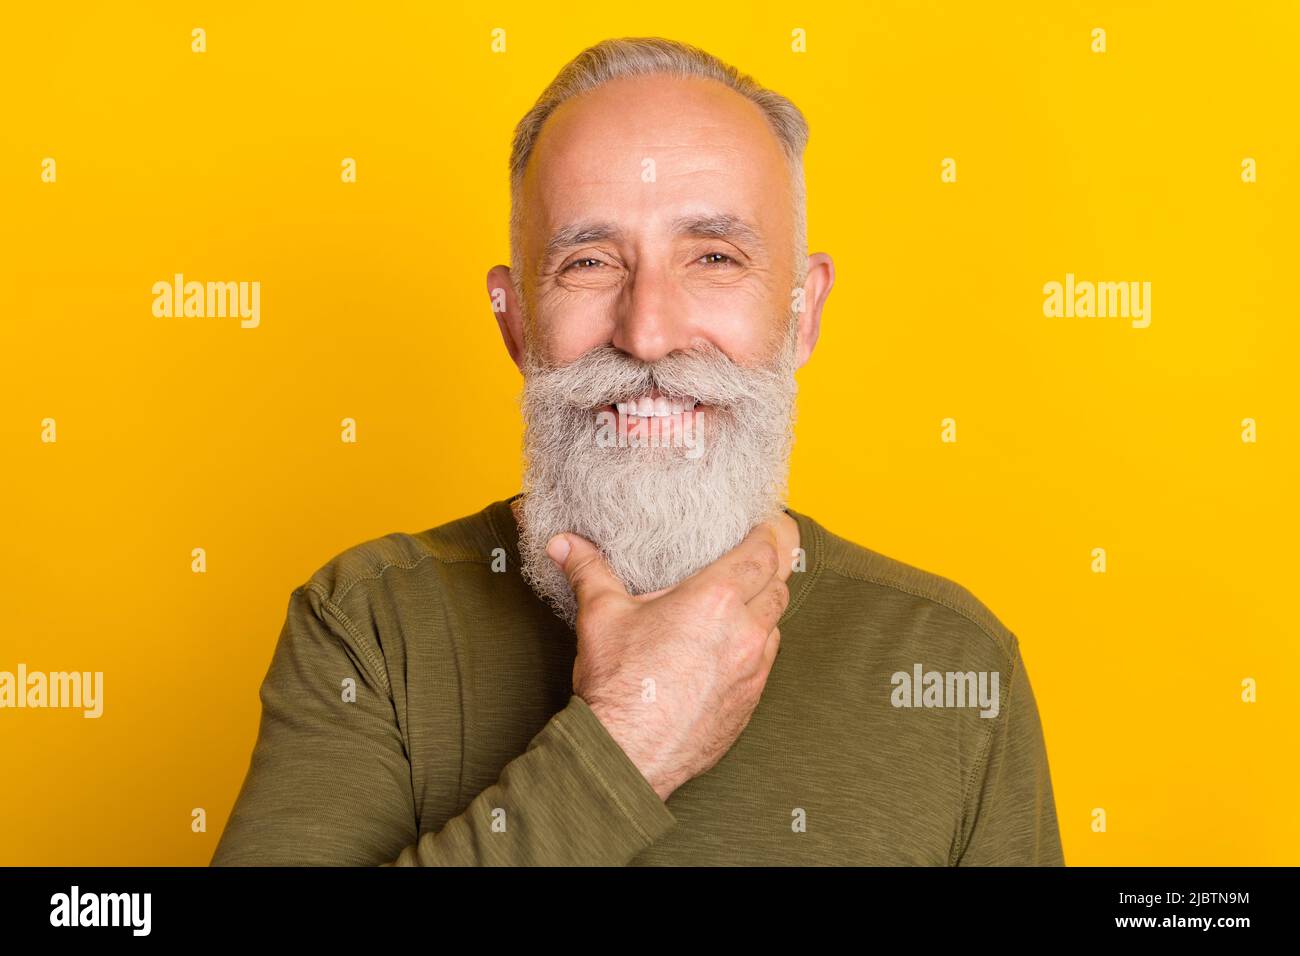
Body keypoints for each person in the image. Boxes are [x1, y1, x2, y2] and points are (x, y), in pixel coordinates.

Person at [211, 36, 1064, 866]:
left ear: (803, 313)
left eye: (715, 257)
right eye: (588, 262)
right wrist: (622, 749)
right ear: (514, 321)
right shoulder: (367, 627)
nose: (648, 333)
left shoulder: (954, 664)